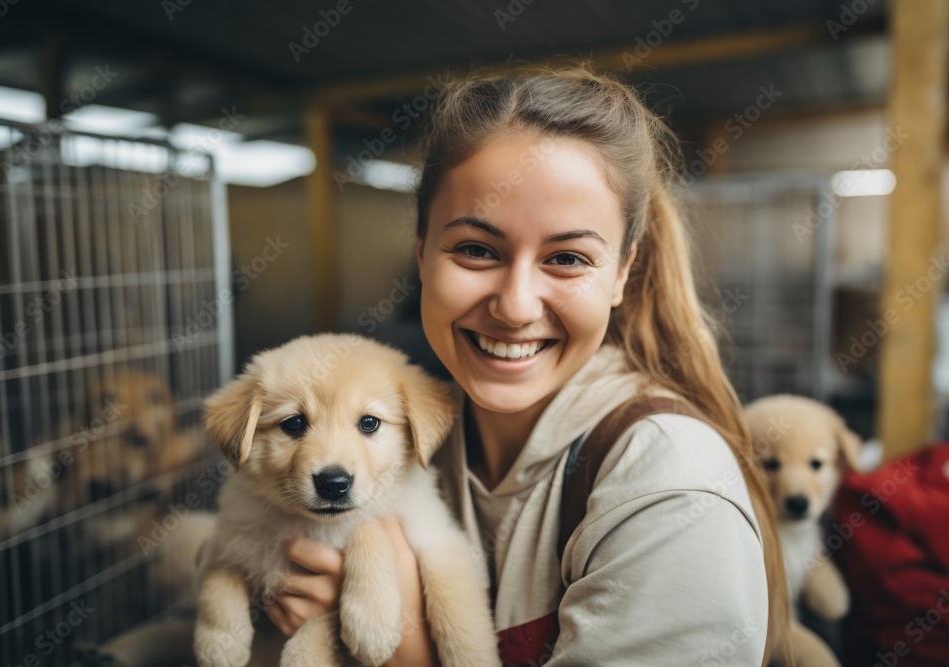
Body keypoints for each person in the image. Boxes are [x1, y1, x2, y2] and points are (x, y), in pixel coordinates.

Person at [263, 63, 791, 666]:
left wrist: (406, 647)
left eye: (567, 257)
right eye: (475, 249)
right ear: (420, 252)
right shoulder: (402, 432)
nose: (515, 307)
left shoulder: (670, 488)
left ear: (622, 271)